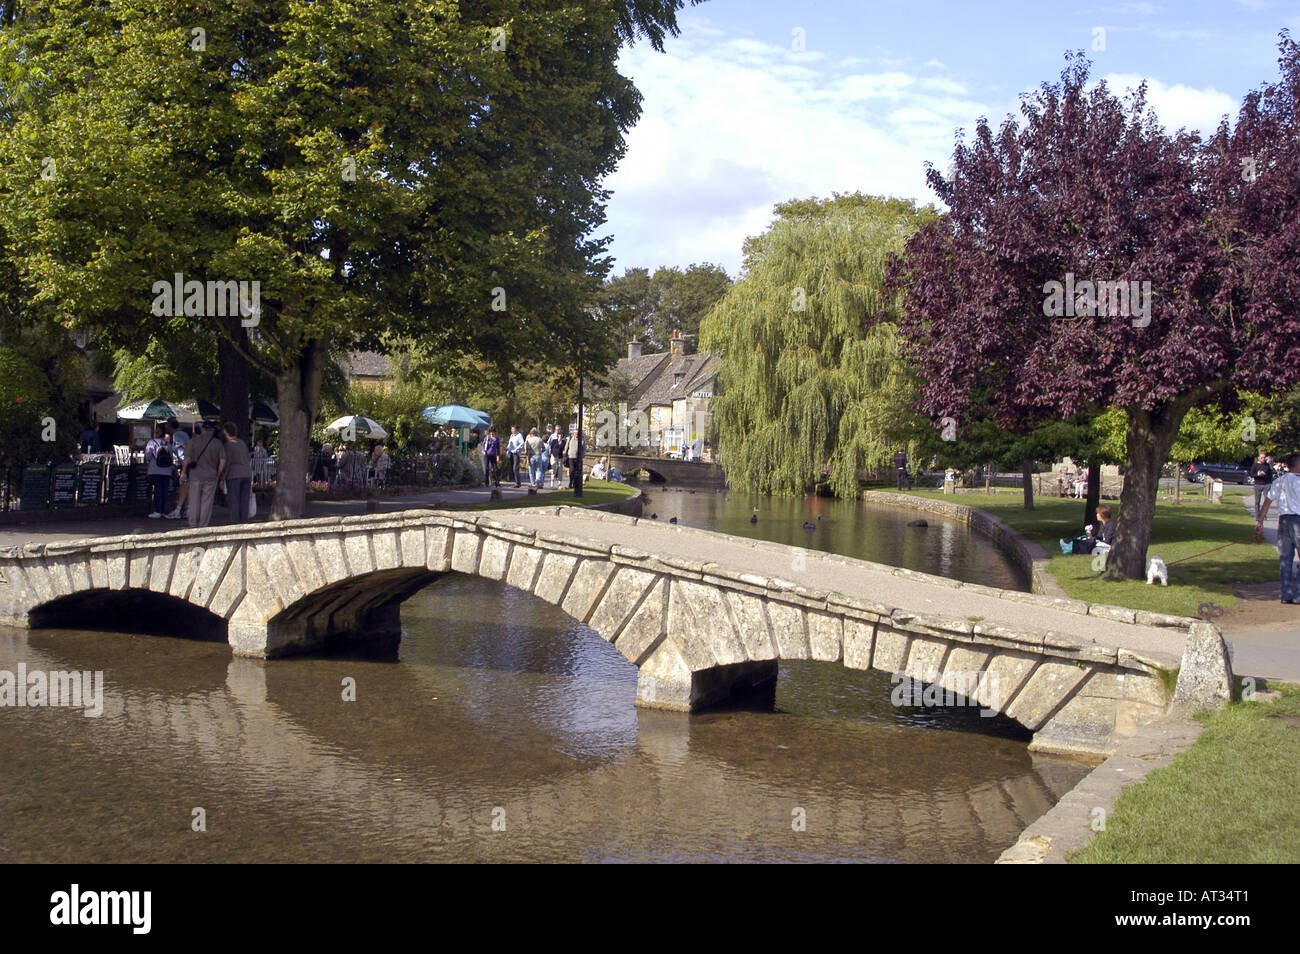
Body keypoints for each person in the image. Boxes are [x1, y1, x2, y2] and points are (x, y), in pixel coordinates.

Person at [1256, 452, 1300, 604]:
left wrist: (1260, 522)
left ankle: (1286, 593)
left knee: (1286, 559)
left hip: (1284, 521)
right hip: (1297, 520)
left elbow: (1267, 502)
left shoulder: (1279, 481)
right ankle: (1298, 594)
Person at [184, 421, 228, 528]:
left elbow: (187, 459)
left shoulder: (193, 441)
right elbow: (222, 460)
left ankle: (193, 524)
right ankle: (203, 525)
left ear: (202, 429)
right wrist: (218, 474)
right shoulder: (217, 443)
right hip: (211, 476)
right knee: (206, 502)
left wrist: (183, 472)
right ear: (212, 430)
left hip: (195, 475)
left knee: (194, 500)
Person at [222, 423, 252, 523]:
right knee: (244, 499)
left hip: (234, 474)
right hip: (246, 473)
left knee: (234, 499)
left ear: (225, 432)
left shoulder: (228, 445)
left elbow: (227, 462)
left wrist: (222, 478)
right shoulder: (242, 443)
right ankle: (244, 520)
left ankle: (235, 521)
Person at [144, 424, 174, 519]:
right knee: (165, 490)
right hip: (167, 469)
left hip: (155, 468)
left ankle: (157, 510)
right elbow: (172, 456)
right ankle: (163, 510)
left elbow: (148, 456)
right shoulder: (167, 444)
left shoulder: (151, 443)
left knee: (157, 490)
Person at [1250, 450, 1274, 517]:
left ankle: (1263, 515)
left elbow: (1270, 474)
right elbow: (1251, 474)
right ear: (1259, 458)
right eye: (1261, 458)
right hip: (1258, 484)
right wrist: (1257, 475)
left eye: (1264, 458)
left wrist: (1270, 483)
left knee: (1266, 501)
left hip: (1266, 484)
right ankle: (1257, 515)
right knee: (1257, 501)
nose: (1263, 459)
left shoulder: (1267, 465)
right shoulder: (1255, 465)